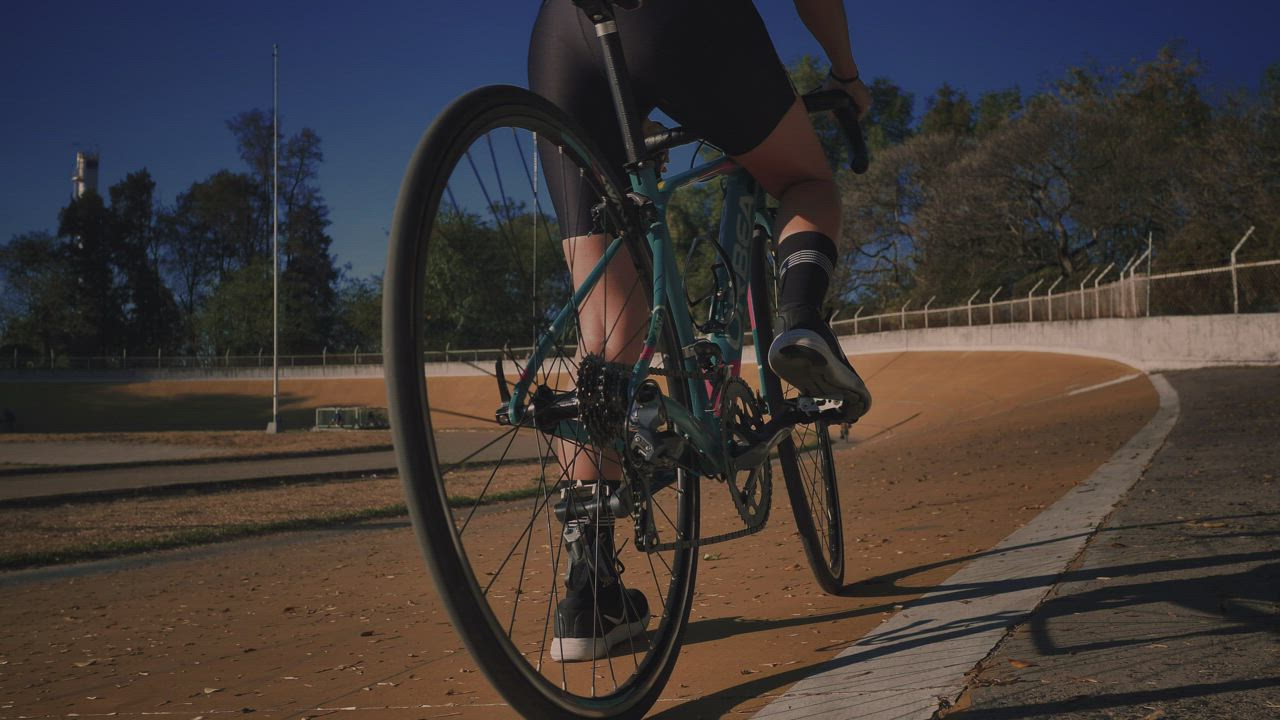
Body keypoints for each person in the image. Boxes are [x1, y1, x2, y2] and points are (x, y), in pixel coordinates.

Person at [528, 0, 873, 662]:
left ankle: (589, 594)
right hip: (686, 19)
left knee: (606, 335)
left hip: (564, 37)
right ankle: (801, 321)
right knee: (804, 178)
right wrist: (846, 74)